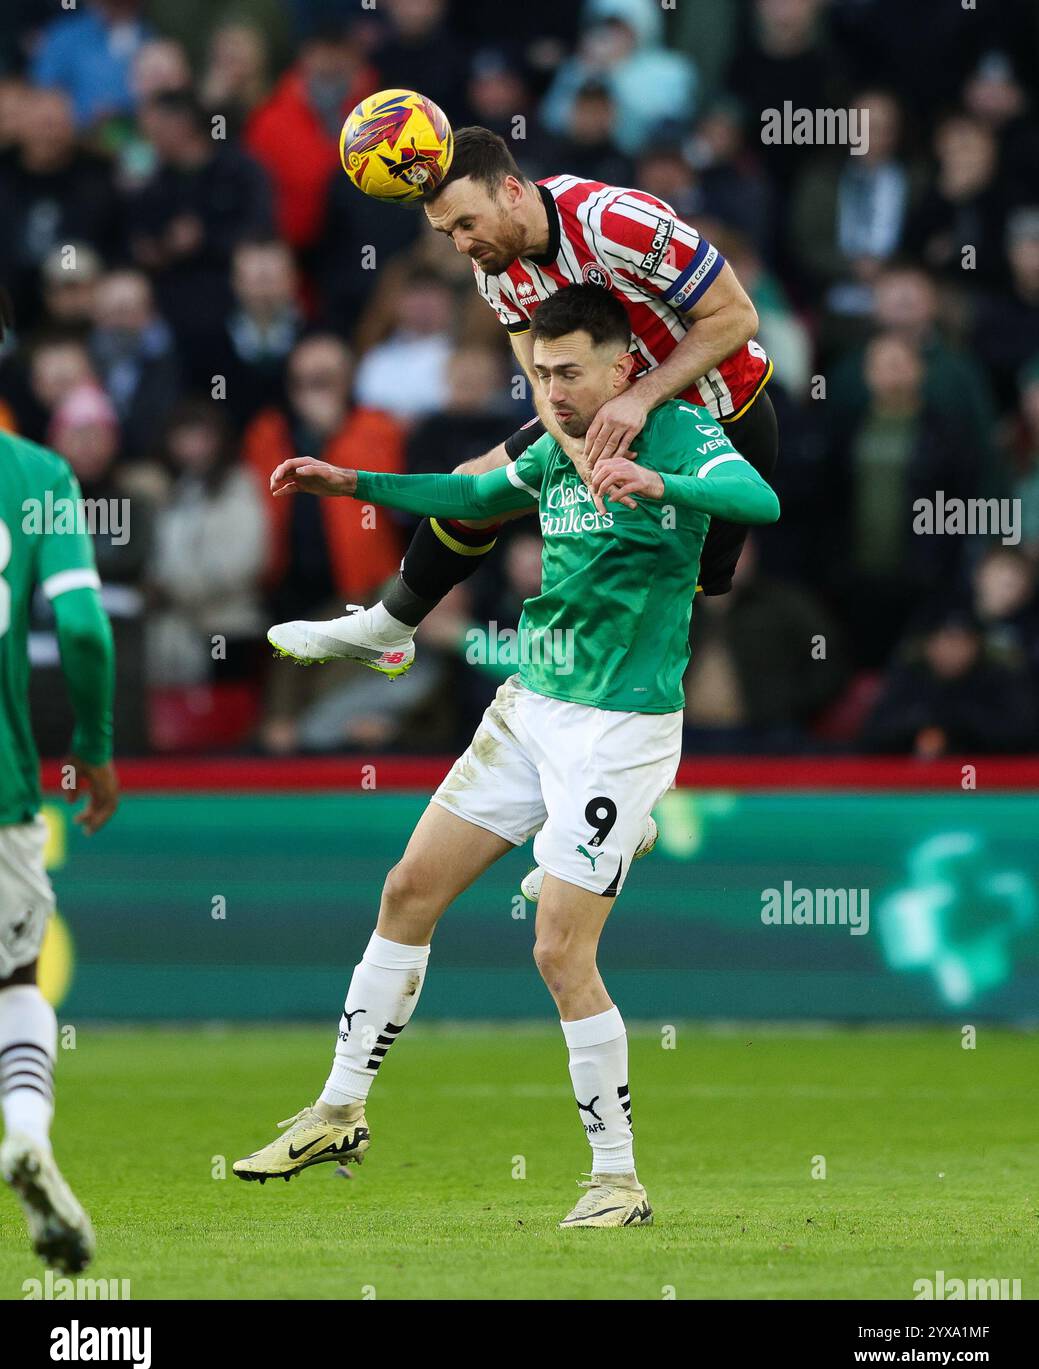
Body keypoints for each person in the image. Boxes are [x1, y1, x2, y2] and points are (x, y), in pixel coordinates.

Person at [235, 286, 779, 1227]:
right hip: (531, 709)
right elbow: (473, 497)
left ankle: (617, 1180)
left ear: (622, 368)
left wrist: (665, 486)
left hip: (619, 730)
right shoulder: (553, 441)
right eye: (540, 372)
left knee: (558, 949)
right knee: (408, 890)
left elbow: (757, 497)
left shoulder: (676, 430)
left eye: (568, 372)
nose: (554, 391)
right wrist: (353, 484)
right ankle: (338, 1110)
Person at [270, 125, 777, 676]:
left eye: (467, 223)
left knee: (671, 608)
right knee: (477, 484)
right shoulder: (494, 268)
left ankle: (701, 748)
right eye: (447, 234)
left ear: (512, 191)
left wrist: (641, 398)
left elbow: (737, 316)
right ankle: (390, 627)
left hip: (714, 419)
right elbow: (541, 378)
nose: (462, 244)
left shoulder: (614, 222)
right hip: (610, 415)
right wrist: (573, 446)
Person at [0, 424, 118, 1272]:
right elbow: (83, 628)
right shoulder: (36, 473)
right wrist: (96, 747)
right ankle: (27, 1136)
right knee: (15, 977)